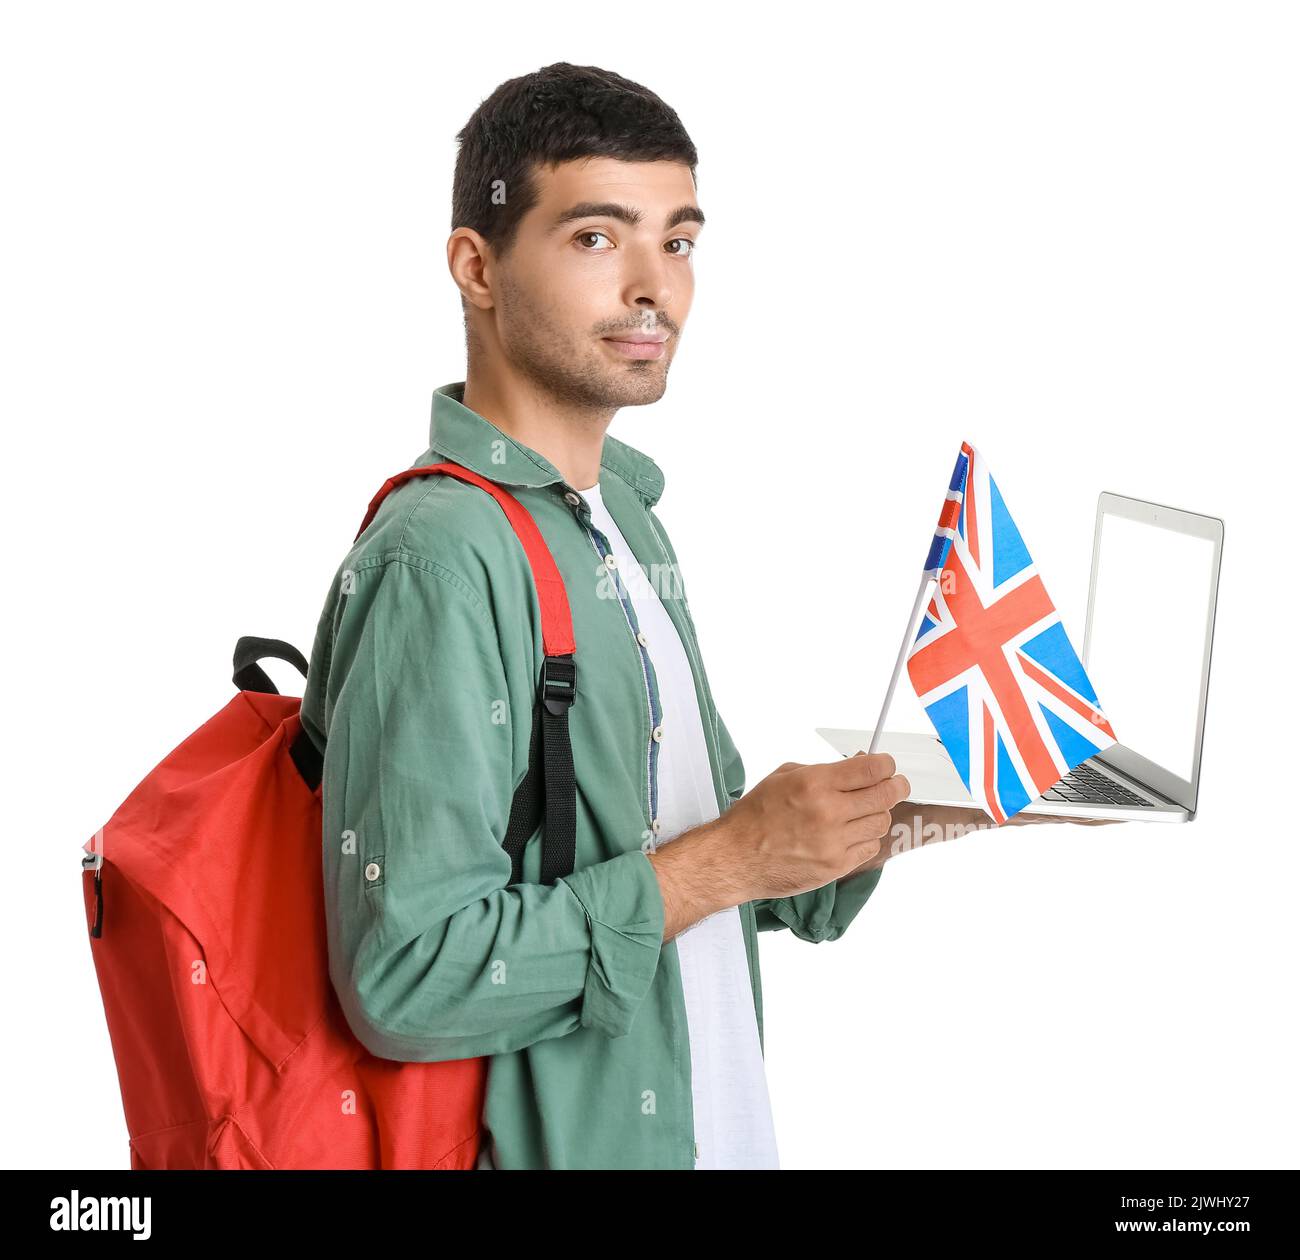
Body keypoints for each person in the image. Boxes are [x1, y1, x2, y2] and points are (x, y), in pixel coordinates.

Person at [299, 61, 1070, 1170]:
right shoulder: (442, 557)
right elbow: (407, 976)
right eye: (597, 239)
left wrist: (963, 786)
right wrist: (728, 862)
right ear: (476, 265)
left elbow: (705, 869)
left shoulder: (625, 520)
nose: (655, 286)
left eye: (680, 240)